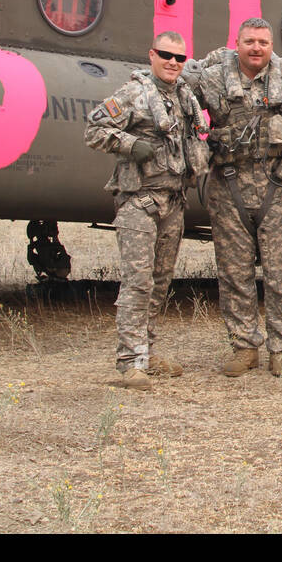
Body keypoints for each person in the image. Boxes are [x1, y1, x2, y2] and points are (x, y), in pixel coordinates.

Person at [182, 18, 282, 379]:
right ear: (236, 44)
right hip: (229, 190)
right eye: (250, 41)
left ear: (272, 46)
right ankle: (244, 347)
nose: (257, 48)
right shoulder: (211, 77)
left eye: (263, 42)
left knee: (281, 273)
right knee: (234, 273)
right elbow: (174, 84)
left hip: (279, 191)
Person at [84, 31, 208, 390]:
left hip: (174, 201)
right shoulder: (133, 93)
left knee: (159, 283)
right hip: (139, 201)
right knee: (137, 282)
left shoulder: (184, 97)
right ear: (152, 55)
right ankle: (129, 362)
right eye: (166, 55)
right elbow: (94, 129)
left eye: (180, 58)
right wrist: (129, 143)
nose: (173, 62)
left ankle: (147, 353)